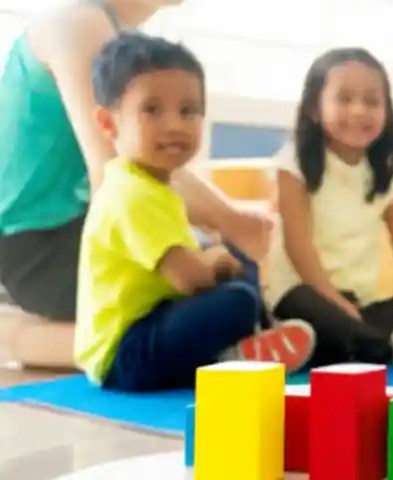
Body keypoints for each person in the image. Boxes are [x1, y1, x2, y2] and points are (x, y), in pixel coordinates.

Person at [0, 0, 272, 331]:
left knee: (235, 281)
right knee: (208, 298)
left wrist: (231, 221)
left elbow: (151, 165)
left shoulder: (119, 34)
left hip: (76, 222)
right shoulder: (81, 22)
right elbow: (112, 169)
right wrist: (220, 228)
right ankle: (20, 337)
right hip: (34, 241)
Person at [75, 33, 316, 391]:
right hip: (124, 355)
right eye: (152, 110)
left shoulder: (152, 184)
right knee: (237, 298)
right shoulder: (133, 193)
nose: (174, 125)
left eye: (188, 111)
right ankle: (227, 361)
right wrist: (215, 259)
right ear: (109, 123)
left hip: (152, 323)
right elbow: (189, 278)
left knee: (240, 270)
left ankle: (252, 340)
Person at [266, 48, 393, 367]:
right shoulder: (294, 164)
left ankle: (333, 343)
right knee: (320, 314)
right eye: (345, 99)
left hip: (360, 303)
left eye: (372, 101)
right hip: (301, 292)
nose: (359, 111)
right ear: (314, 108)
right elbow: (298, 245)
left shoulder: (382, 175)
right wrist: (333, 301)